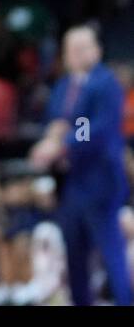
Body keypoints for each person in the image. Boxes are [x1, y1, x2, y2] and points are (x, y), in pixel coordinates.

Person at [31, 24, 132, 305]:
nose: (74, 54)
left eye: (81, 47)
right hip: (70, 184)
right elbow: (56, 120)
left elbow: (95, 129)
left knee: (110, 251)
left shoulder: (106, 83)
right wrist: (51, 135)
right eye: (70, 49)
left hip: (100, 184)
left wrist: (63, 143)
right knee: (74, 256)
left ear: (96, 50)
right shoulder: (64, 85)